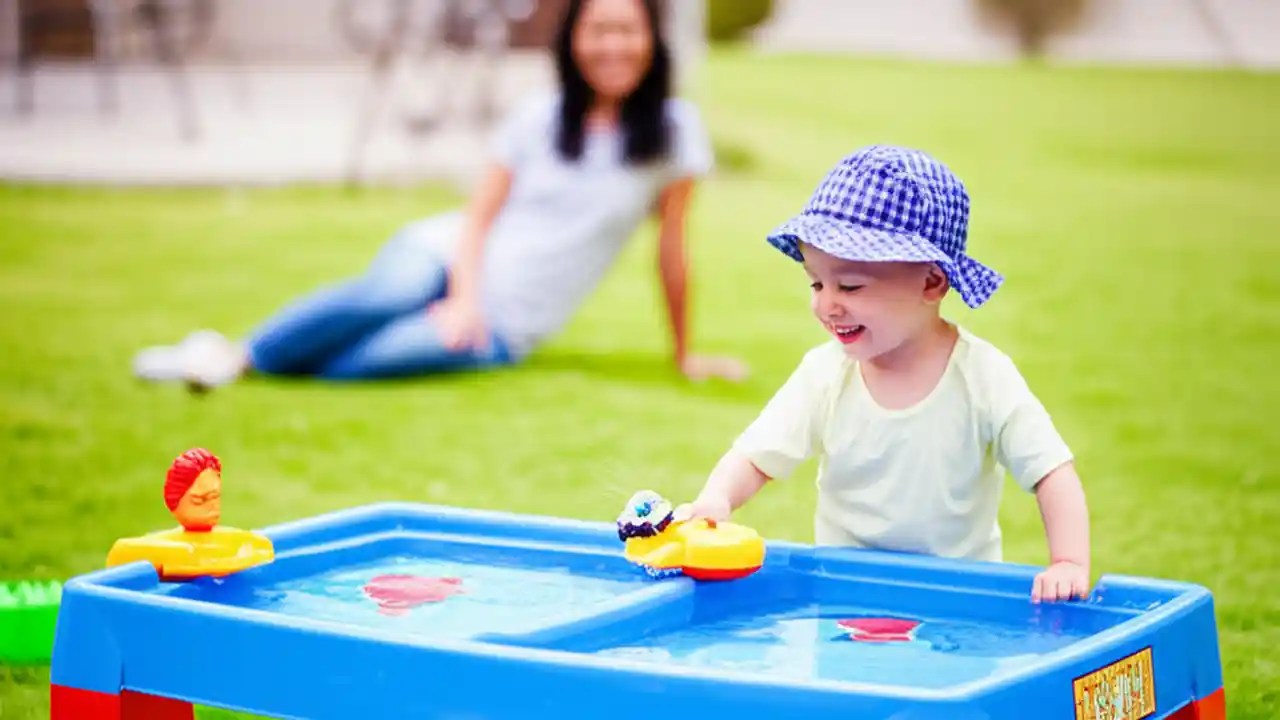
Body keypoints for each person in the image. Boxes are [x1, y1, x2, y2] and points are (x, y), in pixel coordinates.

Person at [133, 0, 746, 390]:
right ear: (573, 42)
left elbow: (670, 249)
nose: (612, 46)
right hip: (448, 256)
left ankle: (250, 366)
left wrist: (684, 354)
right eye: (597, 30)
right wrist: (462, 300)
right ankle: (227, 354)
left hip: (510, 323)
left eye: (626, 31)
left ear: (651, 41)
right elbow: (478, 218)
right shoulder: (539, 115)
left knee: (363, 364)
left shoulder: (674, 133)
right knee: (390, 292)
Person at [674, 145, 1091, 603]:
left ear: (932, 283)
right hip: (846, 593)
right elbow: (756, 456)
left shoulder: (984, 377)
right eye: (816, 282)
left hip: (959, 600)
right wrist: (717, 500)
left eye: (850, 285)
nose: (826, 304)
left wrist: (1068, 561)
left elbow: (1051, 470)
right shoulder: (825, 374)